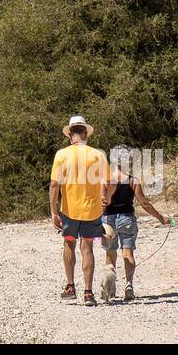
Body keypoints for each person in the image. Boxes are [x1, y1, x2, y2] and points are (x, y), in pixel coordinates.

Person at [49, 114, 112, 307]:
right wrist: (106, 199)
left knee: (69, 244)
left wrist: (53, 211)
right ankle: (88, 292)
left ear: (70, 135)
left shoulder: (62, 155)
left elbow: (54, 185)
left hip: (69, 211)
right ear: (86, 134)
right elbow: (107, 182)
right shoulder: (97, 155)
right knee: (88, 247)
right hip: (92, 212)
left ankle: (70, 287)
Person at [100, 146, 170, 303]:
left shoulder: (106, 180)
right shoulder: (133, 181)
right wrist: (160, 218)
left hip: (108, 220)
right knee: (128, 254)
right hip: (127, 219)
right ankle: (129, 285)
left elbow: (102, 203)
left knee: (110, 254)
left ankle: (109, 288)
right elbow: (144, 203)